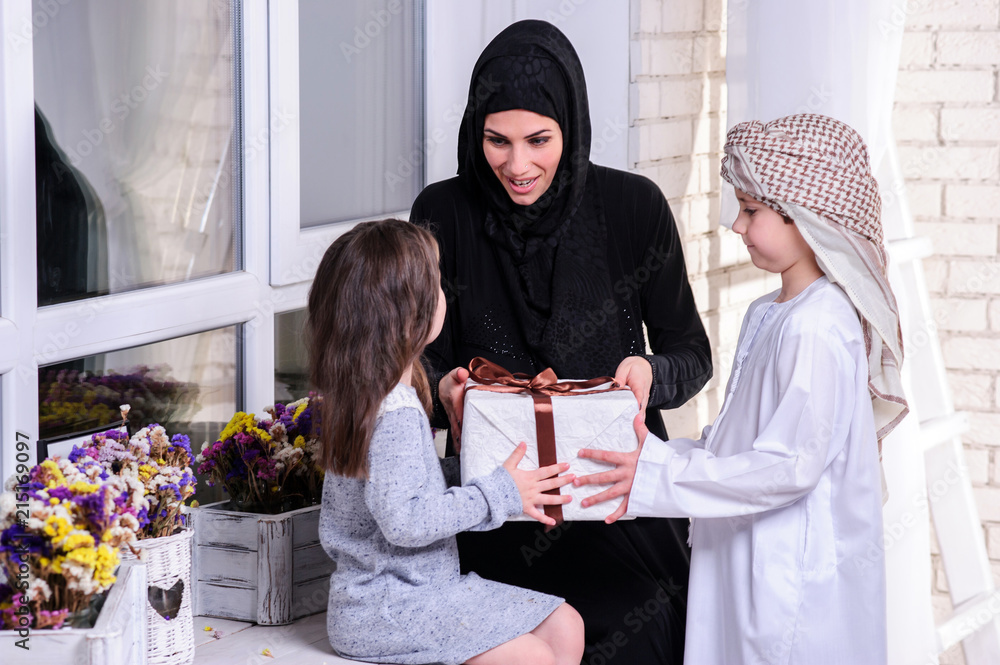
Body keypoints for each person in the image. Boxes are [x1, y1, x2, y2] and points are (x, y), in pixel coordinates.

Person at [410, 19, 712, 664]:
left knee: (643, 628)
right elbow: (418, 356)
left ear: (571, 126)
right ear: (474, 132)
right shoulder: (444, 212)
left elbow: (694, 353)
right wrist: (441, 388)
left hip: (613, 500)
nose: (517, 166)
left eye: (539, 140)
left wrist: (649, 373)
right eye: (496, 140)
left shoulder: (635, 207)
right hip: (493, 507)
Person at [576, 114, 909, 665]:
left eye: (751, 210)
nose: (736, 225)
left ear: (806, 218)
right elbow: (737, 443)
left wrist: (659, 474)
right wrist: (651, 456)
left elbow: (789, 466)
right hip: (746, 556)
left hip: (786, 574)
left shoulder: (818, 325)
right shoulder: (770, 312)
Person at [308, 219, 585, 665]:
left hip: (412, 594)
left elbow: (398, 490)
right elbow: (405, 521)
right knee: (534, 655)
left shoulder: (369, 390)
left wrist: (477, 465)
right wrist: (501, 492)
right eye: (436, 283)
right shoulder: (393, 409)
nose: (444, 294)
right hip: (389, 607)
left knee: (565, 623)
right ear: (408, 312)